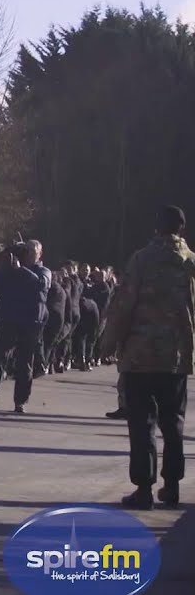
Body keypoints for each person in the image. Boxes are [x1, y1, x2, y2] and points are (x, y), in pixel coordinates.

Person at [99, 206, 195, 509]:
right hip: (175, 357)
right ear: (181, 229)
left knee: (142, 423)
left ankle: (143, 489)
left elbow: (124, 304)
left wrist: (108, 343)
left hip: (139, 356)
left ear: (156, 228)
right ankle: (172, 486)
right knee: (174, 422)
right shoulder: (191, 263)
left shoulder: (142, 259)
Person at [0, 243, 49, 413]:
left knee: (25, 363)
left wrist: (21, 269)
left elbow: (41, 285)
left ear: (40, 254)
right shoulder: (11, 270)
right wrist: (2, 264)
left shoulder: (43, 271)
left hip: (30, 322)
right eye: (26, 250)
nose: (28, 253)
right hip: (8, 319)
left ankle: (21, 401)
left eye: (32, 251)